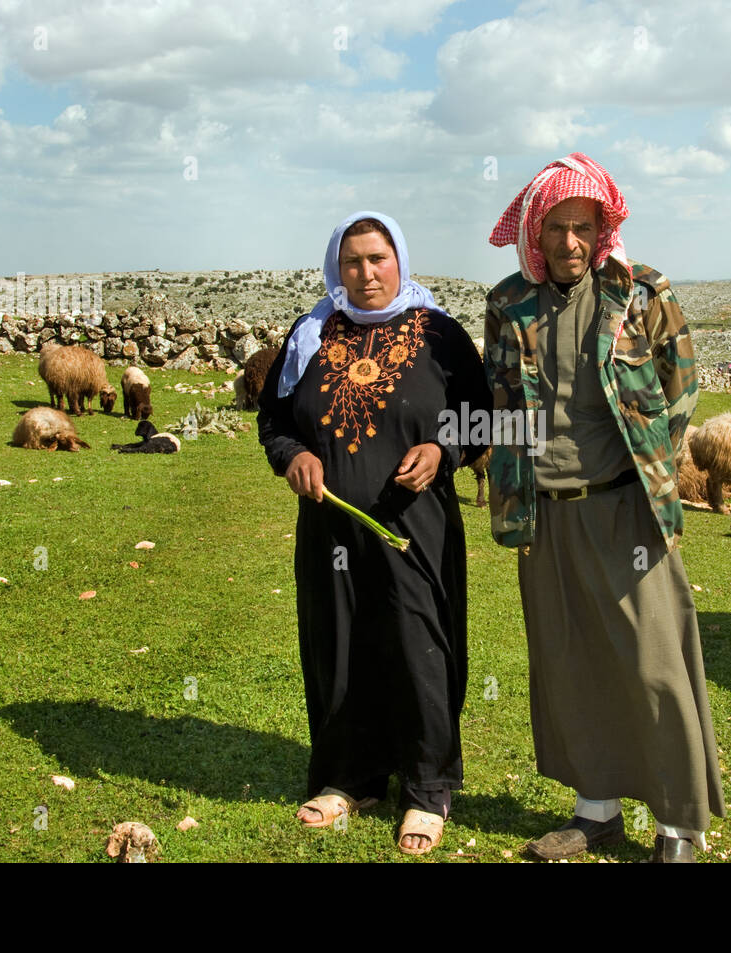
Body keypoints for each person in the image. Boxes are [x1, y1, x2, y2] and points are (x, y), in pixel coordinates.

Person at [484, 153, 727, 863]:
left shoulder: (642, 293)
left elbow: (681, 390)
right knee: (571, 660)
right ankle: (595, 812)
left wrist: (644, 460)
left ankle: (680, 825)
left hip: (625, 512)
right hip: (545, 514)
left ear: (603, 226)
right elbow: (502, 403)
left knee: (654, 665)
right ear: (534, 231)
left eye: (581, 226)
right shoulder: (509, 303)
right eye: (554, 227)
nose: (568, 243)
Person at [257, 211, 490, 855]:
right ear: (338, 267)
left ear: (400, 260)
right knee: (339, 645)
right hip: (330, 530)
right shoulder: (309, 334)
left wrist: (444, 451)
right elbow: (275, 421)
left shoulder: (440, 334)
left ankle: (426, 789)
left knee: (419, 646)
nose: (365, 274)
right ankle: (346, 779)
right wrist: (292, 456)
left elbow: (480, 418)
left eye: (377, 259)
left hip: (416, 529)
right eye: (352, 261)